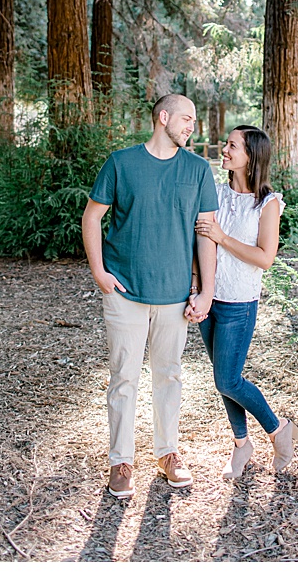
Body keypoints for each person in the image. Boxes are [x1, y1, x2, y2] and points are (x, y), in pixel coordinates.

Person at [82, 94, 219, 499]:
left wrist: (206, 291)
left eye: (193, 120)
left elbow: (206, 232)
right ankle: (120, 460)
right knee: (123, 377)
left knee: (169, 376)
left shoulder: (197, 170)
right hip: (125, 291)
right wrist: (98, 272)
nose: (192, 126)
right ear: (163, 118)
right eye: (186, 118)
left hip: (175, 295)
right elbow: (92, 216)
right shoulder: (121, 163)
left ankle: (168, 454)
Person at [192, 125, 298, 480]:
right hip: (210, 297)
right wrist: (197, 286)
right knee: (224, 377)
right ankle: (242, 445)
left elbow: (265, 257)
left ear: (251, 156)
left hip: (240, 303)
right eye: (227, 144)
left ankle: (278, 429)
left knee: (227, 380)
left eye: (232, 146)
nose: (224, 150)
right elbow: (199, 241)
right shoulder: (216, 193)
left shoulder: (268, 204)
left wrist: (222, 237)